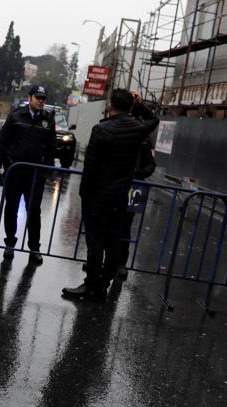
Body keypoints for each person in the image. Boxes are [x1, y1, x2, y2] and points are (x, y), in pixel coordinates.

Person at [62, 88, 159, 300]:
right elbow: (153, 119)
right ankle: (105, 282)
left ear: (111, 106)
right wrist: (139, 104)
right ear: (130, 106)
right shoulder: (138, 129)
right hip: (120, 194)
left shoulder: (101, 130)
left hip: (98, 194)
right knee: (114, 240)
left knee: (95, 242)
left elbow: (91, 166)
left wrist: (84, 193)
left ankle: (91, 286)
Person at [0, 85, 56, 265]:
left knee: (34, 210)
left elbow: (51, 147)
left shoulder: (48, 120)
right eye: (37, 97)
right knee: (11, 207)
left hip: (35, 175)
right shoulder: (16, 116)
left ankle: (34, 248)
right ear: (29, 97)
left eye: (43, 98)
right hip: (15, 171)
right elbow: (2, 142)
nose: (41, 101)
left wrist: (46, 169)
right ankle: (10, 243)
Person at [115, 132, 157, 279]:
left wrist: (139, 174)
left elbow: (151, 164)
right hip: (115, 184)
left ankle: (121, 264)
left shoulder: (145, 138)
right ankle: (103, 260)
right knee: (108, 222)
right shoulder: (118, 130)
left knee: (126, 225)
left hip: (135, 186)